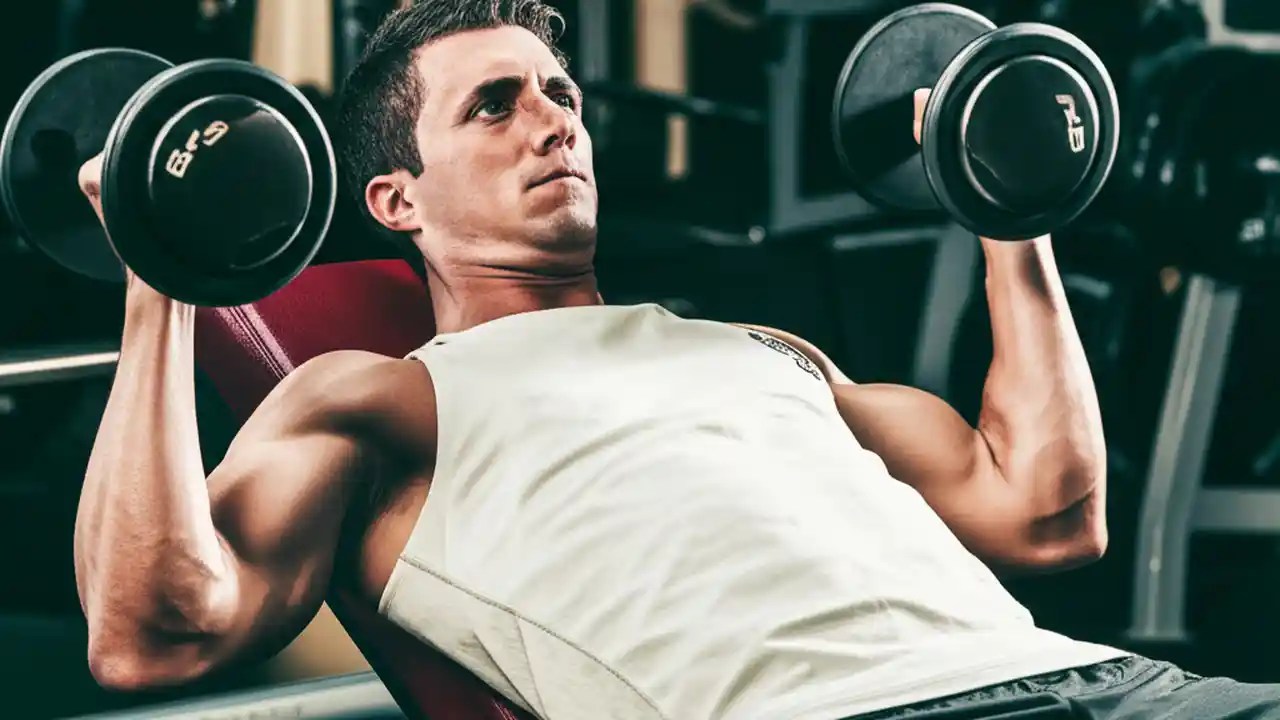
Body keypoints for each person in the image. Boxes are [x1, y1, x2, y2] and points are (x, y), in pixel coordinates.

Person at [71, 1, 1280, 719]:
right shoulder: (376, 397)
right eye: (493, 106)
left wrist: (1008, 215)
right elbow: (149, 631)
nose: (553, 119)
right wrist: (158, 275)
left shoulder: (762, 352)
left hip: (1108, 683)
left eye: (559, 93)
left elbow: (1050, 515)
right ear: (395, 198)